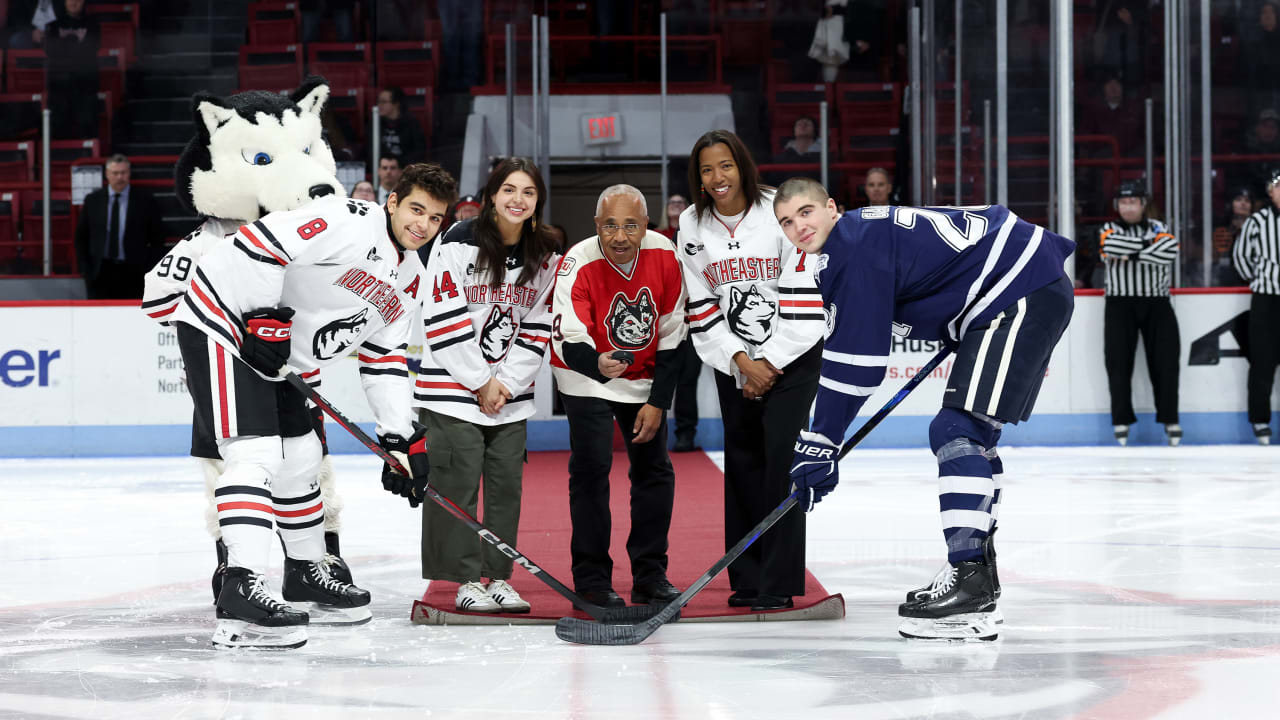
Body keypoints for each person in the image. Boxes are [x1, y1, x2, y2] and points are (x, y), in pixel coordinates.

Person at [164, 163, 454, 648]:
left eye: (435, 217)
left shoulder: (409, 277)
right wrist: (262, 318)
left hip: (284, 358)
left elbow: (384, 358)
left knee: (301, 458)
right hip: (223, 321)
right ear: (393, 202)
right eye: (416, 209)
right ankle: (241, 585)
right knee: (254, 454)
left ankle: (303, 572)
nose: (422, 224)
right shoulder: (345, 219)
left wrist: (400, 437)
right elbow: (261, 243)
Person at [773, 177, 1075, 641]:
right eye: (787, 222)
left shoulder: (849, 249)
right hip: (1023, 281)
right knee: (970, 433)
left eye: (806, 213)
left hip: (1018, 286)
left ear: (832, 207)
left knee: (957, 431)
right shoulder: (860, 235)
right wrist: (959, 314)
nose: (799, 227)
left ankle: (970, 579)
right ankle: (977, 577)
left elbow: (856, 363)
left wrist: (822, 440)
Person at [677, 130, 826, 611]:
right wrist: (741, 363)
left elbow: (805, 291)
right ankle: (745, 573)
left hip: (792, 359)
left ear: (742, 165)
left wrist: (769, 361)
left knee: (781, 461)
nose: (717, 177)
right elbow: (700, 306)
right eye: (706, 169)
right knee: (741, 463)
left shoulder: (776, 209)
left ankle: (779, 580)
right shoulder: (691, 225)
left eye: (725, 166)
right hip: (735, 364)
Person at [414, 157, 559, 614]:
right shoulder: (457, 240)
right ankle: (461, 579)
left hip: (508, 399)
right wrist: (480, 381)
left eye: (529, 192)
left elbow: (537, 324)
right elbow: (441, 315)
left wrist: (507, 383)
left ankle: (497, 576)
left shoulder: (545, 252)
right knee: (456, 484)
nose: (518, 199)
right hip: (453, 390)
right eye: (509, 190)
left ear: (538, 201)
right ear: (492, 195)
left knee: (504, 488)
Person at [551, 184, 687, 608]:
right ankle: (591, 580)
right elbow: (568, 335)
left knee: (655, 471)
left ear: (647, 224)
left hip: (642, 376)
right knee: (592, 468)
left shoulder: (665, 253)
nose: (621, 236)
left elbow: (672, 332)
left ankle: (650, 575)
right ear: (596, 226)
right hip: (587, 374)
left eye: (631, 225)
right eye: (610, 225)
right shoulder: (578, 260)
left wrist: (658, 402)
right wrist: (596, 365)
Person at [1097, 181, 1181, 445]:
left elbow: (1169, 251)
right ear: (1117, 206)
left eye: (1133, 202)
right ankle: (1122, 421)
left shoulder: (1160, 228)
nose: (1128, 207)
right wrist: (1147, 249)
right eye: (1123, 202)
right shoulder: (1108, 229)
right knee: (1118, 364)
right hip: (1119, 304)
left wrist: (1130, 254)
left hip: (1158, 303)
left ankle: (1170, 420)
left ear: (1143, 205)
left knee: (1166, 364)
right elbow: (1110, 247)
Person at [1232, 168, 1280, 445]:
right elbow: (1241, 257)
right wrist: (1260, 278)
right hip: (1266, 298)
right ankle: (1260, 421)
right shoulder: (1258, 221)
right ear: (1270, 191)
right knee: (1262, 360)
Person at [75, 155, 165, 299]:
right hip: (100, 272)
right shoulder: (93, 200)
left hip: (134, 272)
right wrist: (86, 270)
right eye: (115, 173)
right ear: (107, 175)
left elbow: (157, 238)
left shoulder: (145, 200)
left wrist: (149, 269)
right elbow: (81, 238)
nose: (119, 177)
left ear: (129, 173)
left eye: (123, 173)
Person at [44, 0, 99, 140]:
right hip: (59, 86)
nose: (74, 2)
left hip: (84, 85)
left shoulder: (93, 24)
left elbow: (91, 49)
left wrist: (65, 47)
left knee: (86, 118)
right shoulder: (53, 24)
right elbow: (51, 50)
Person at [1210, 187, 1253, 287]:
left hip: (1250, 281)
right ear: (1231, 204)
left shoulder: (1258, 229)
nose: (1243, 204)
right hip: (1224, 281)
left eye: (1247, 201)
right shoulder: (1222, 228)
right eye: (1238, 200)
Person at [376, 87, 428, 165]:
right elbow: (371, 152)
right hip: (384, 170)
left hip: (405, 170)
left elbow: (419, 152)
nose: (379, 105)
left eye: (384, 102)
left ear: (396, 104)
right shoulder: (375, 123)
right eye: (379, 101)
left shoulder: (411, 123)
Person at [809, 1, 850, 83]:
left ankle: (830, 85)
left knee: (832, 56)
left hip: (836, 23)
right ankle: (829, 85)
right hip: (827, 22)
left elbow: (843, 7)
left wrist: (832, 10)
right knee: (827, 57)